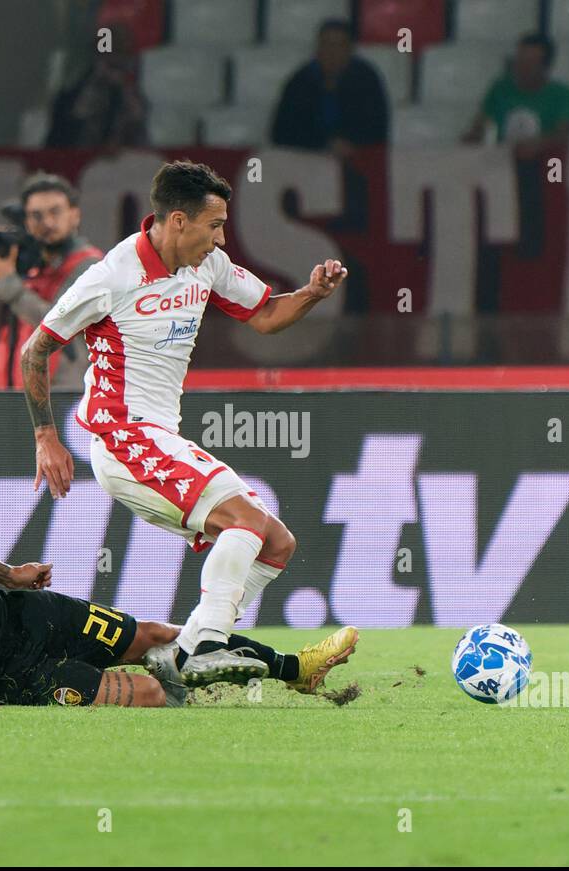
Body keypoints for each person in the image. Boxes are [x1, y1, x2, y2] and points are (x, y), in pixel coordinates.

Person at [18, 160, 358, 693]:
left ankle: (184, 653)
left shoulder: (209, 266)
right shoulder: (111, 276)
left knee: (276, 544)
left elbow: (265, 313)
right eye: (214, 225)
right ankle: (207, 646)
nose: (221, 237)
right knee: (243, 520)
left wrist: (312, 292)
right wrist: (46, 437)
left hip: (160, 436)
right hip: (122, 435)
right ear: (178, 221)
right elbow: (36, 349)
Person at [0, 409, 304, 708]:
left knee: (157, 637)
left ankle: (295, 669)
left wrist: (10, 574)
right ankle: (184, 678)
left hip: (15, 612)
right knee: (154, 693)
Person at [0, 173, 102, 390]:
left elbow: (58, 323)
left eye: (55, 212)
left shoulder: (90, 265)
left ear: (75, 215)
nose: (47, 222)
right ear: (26, 221)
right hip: (9, 393)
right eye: (36, 215)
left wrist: (8, 281)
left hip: (62, 398)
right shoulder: (27, 267)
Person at [270, 19, 389, 157]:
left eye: (339, 45)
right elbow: (281, 132)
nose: (332, 51)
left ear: (350, 49)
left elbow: (376, 129)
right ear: (317, 48)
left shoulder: (366, 79)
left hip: (355, 159)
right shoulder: (300, 81)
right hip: (307, 160)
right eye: (326, 44)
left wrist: (349, 144)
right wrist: (325, 144)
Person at [461, 33, 569, 159]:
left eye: (530, 62)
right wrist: (474, 135)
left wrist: (538, 145)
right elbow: (481, 123)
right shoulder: (500, 89)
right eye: (520, 60)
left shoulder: (562, 94)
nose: (522, 66)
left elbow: (563, 133)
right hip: (503, 162)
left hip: (548, 161)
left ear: (546, 66)